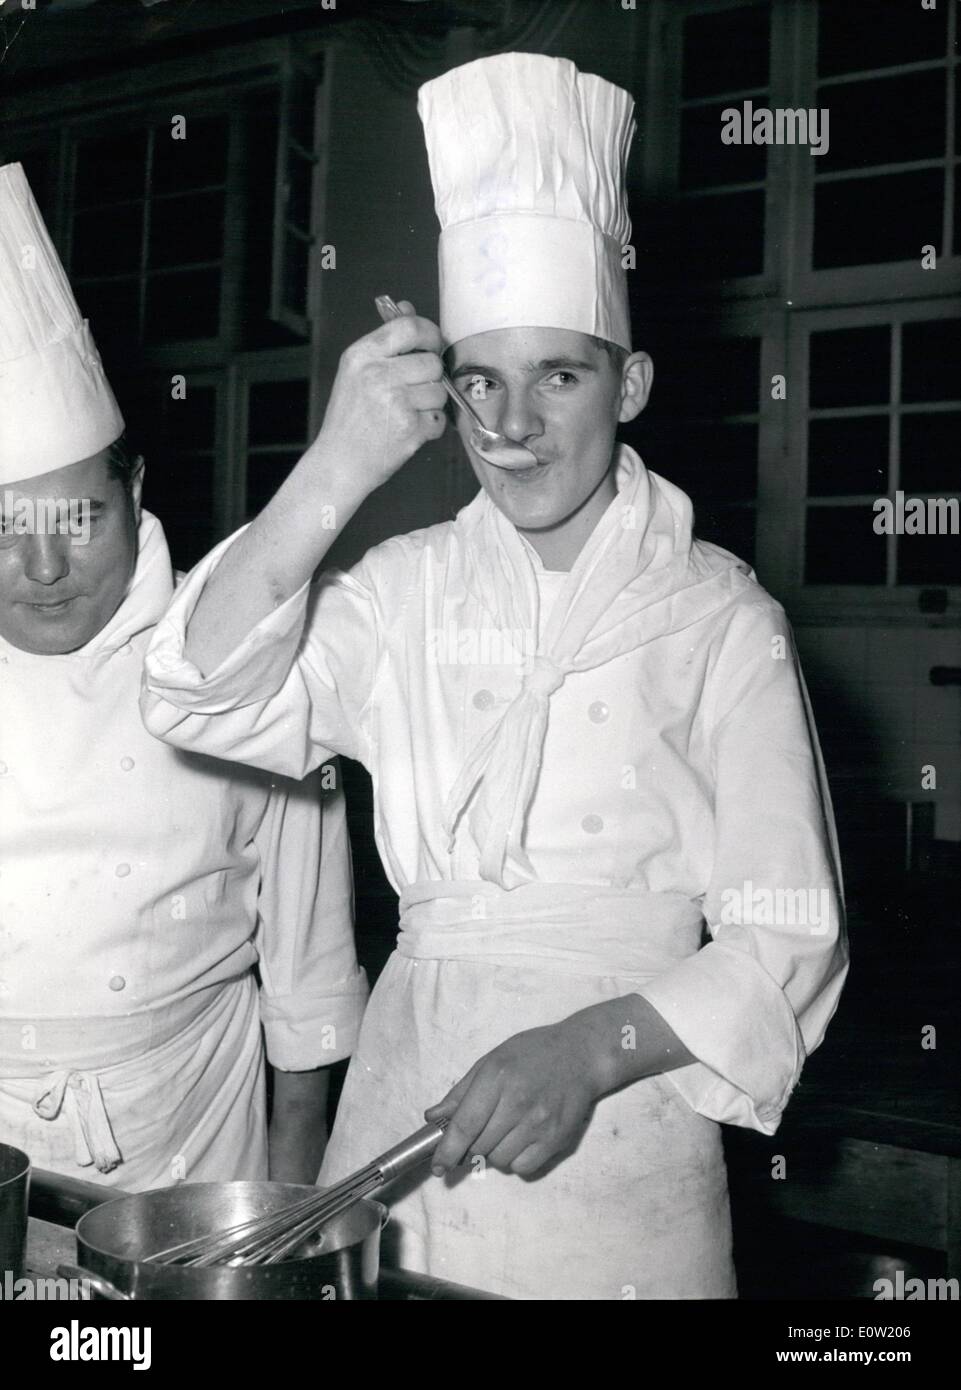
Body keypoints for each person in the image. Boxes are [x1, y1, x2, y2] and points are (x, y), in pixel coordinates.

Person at [142, 54, 848, 1297]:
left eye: (556, 377)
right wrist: (335, 468)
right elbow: (196, 693)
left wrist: (592, 1044)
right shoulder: (406, 590)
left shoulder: (722, 619)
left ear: (627, 384)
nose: (509, 425)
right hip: (398, 1127)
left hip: (624, 1159)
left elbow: (788, 935)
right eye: (478, 380)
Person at [0, 161, 367, 1190]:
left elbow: (306, 974)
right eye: (3, 528)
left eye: (79, 516)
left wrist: (287, 1209)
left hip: (190, 1133)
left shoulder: (236, 658)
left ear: (138, 490)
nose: (44, 569)